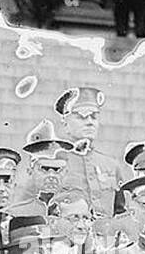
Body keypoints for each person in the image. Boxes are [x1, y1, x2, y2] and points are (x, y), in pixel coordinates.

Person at [53, 87, 133, 221]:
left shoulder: (111, 165)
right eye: (81, 117)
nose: (90, 122)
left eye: (94, 117)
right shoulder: (54, 163)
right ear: (65, 124)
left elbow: (121, 213)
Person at [9, 119, 75, 215]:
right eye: (44, 169)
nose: (51, 176)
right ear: (30, 172)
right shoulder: (16, 213)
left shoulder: (78, 211)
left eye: (58, 170)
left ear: (66, 172)